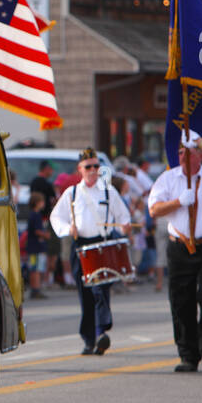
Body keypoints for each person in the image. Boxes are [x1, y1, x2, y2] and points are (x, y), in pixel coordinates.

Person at [148, 130, 202, 373]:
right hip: (180, 246)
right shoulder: (168, 179)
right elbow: (154, 210)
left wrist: (201, 141)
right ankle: (187, 355)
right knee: (181, 301)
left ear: (199, 155)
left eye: (188, 151)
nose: (183, 156)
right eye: (180, 151)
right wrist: (178, 202)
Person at [49, 147, 130, 355]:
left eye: (96, 166)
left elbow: (123, 216)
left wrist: (124, 226)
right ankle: (89, 339)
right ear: (80, 169)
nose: (93, 170)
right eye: (89, 167)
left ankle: (101, 332)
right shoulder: (72, 193)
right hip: (81, 247)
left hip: (102, 245)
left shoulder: (108, 191)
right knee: (85, 295)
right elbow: (56, 217)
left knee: (101, 290)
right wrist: (68, 229)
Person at [25, 192, 49, 300]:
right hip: (35, 247)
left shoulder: (34, 214)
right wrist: (45, 235)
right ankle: (36, 289)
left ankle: (35, 288)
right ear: (37, 203)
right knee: (35, 268)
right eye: (42, 201)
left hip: (34, 247)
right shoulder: (36, 215)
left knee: (36, 268)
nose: (43, 204)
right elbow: (37, 231)